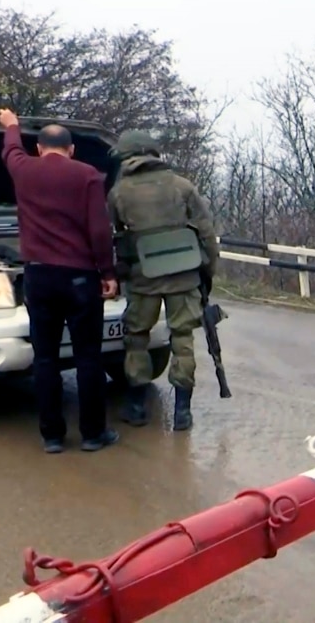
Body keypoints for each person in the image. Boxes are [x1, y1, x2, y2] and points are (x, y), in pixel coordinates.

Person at [0, 109, 120, 454]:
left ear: (39, 149)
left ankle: (52, 436)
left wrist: (11, 125)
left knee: (45, 358)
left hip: (39, 276)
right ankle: (93, 434)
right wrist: (107, 272)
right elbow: (99, 230)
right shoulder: (88, 175)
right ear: (71, 150)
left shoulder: (24, 169)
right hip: (80, 277)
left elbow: (10, 151)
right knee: (88, 357)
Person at [106, 130, 219, 431]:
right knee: (183, 339)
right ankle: (182, 412)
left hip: (143, 278)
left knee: (136, 338)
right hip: (184, 275)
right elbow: (207, 234)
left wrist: (120, 272)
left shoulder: (119, 192)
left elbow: (116, 235)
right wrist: (207, 271)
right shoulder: (182, 186)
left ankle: (137, 407)